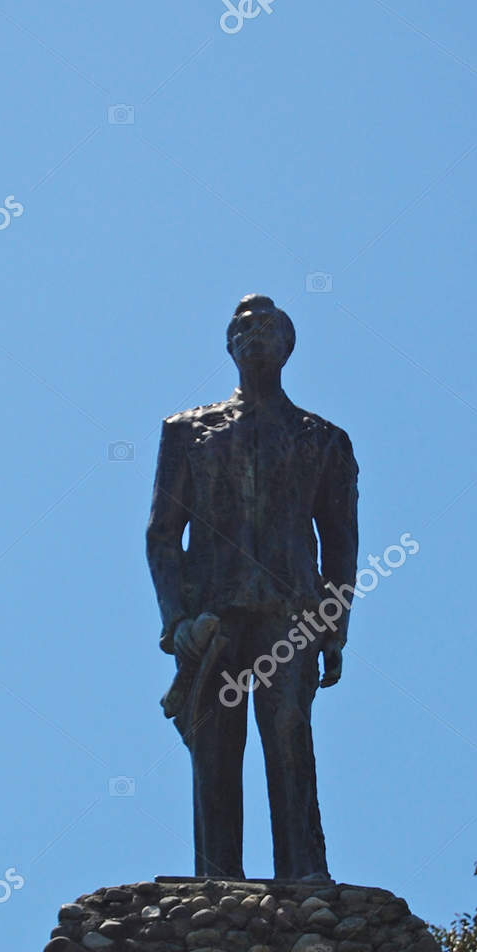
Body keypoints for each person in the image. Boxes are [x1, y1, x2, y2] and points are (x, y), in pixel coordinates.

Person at [146, 294, 359, 879]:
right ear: (228, 344)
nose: (254, 335)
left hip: (292, 613)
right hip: (213, 615)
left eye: (268, 326)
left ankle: (303, 874)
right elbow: (163, 534)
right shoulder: (186, 432)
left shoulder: (324, 440)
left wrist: (334, 629)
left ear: (289, 345)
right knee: (214, 744)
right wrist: (176, 622)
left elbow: (340, 542)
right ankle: (218, 879)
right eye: (243, 327)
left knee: (288, 733)